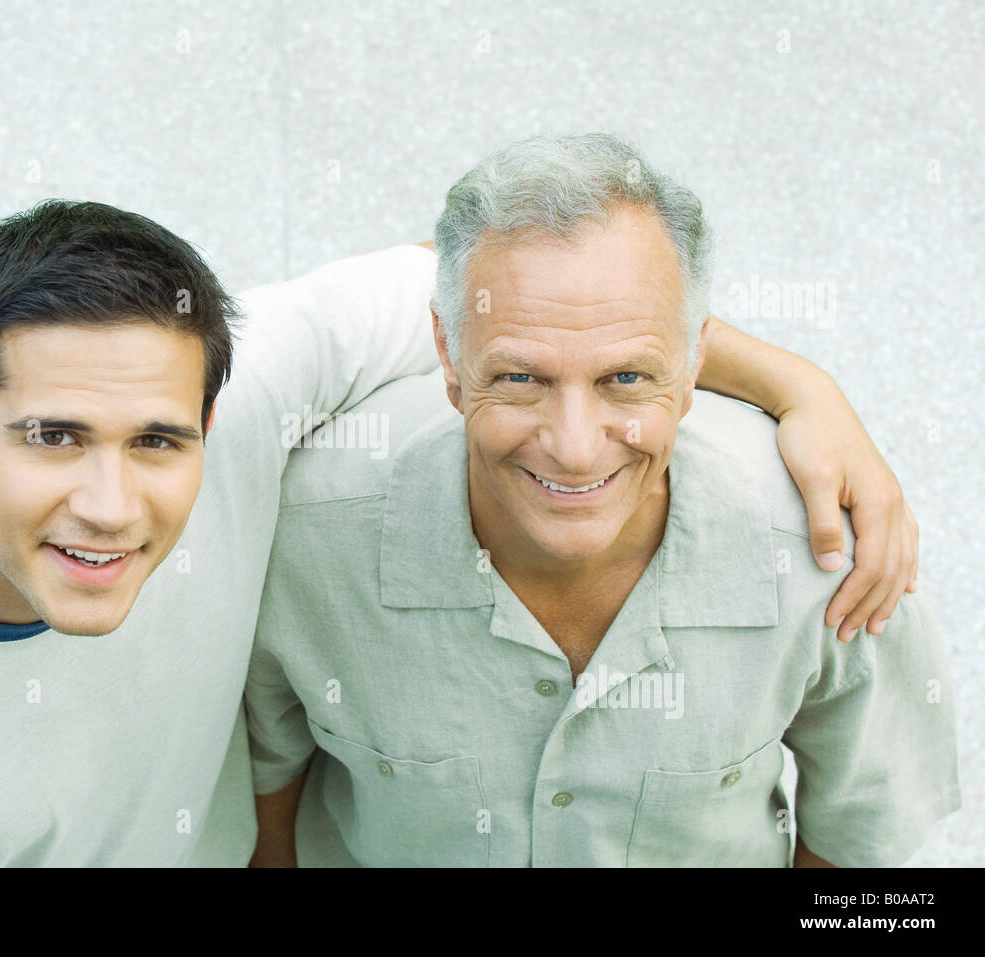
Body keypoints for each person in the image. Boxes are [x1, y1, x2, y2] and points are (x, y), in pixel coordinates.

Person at [0, 191, 921, 866]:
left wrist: (800, 390)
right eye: (51, 438)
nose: (111, 507)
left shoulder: (244, 398)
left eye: (158, 443)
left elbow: (512, 310)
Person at [246, 133, 958, 867]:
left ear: (694, 368)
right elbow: (267, 799)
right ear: (449, 361)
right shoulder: (303, 540)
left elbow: (856, 841)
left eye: (624, 378)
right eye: (522, 378)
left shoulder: (827, 553)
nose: (576, 446)